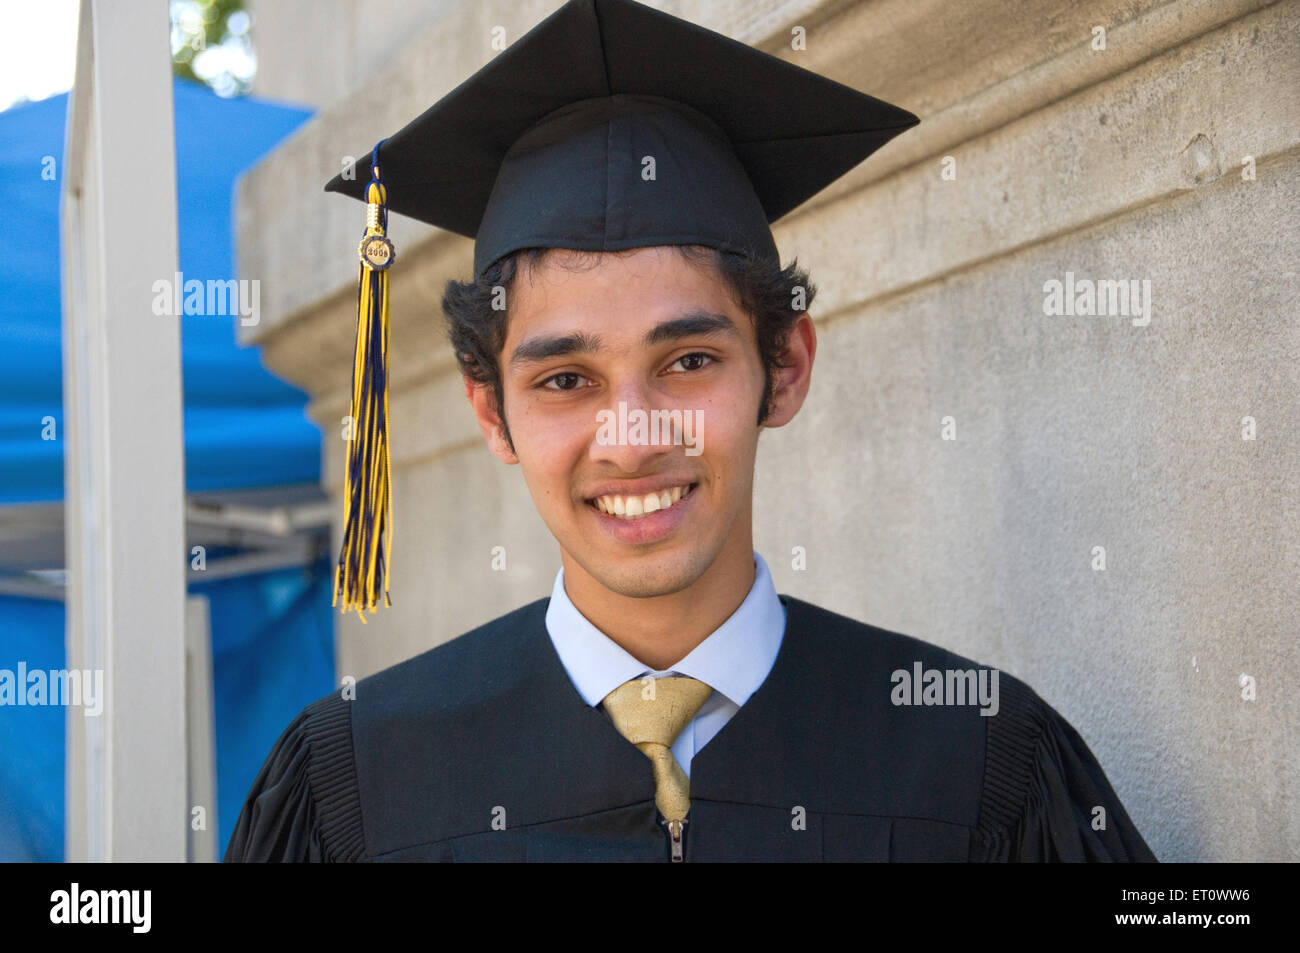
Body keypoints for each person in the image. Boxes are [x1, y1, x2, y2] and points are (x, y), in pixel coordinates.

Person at [224, 0, 1156, 862]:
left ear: (783, 369)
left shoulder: (981, 761)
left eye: (688, 362)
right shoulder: (358, 783)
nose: (630, 437)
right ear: (490, 412)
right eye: (565, 379)